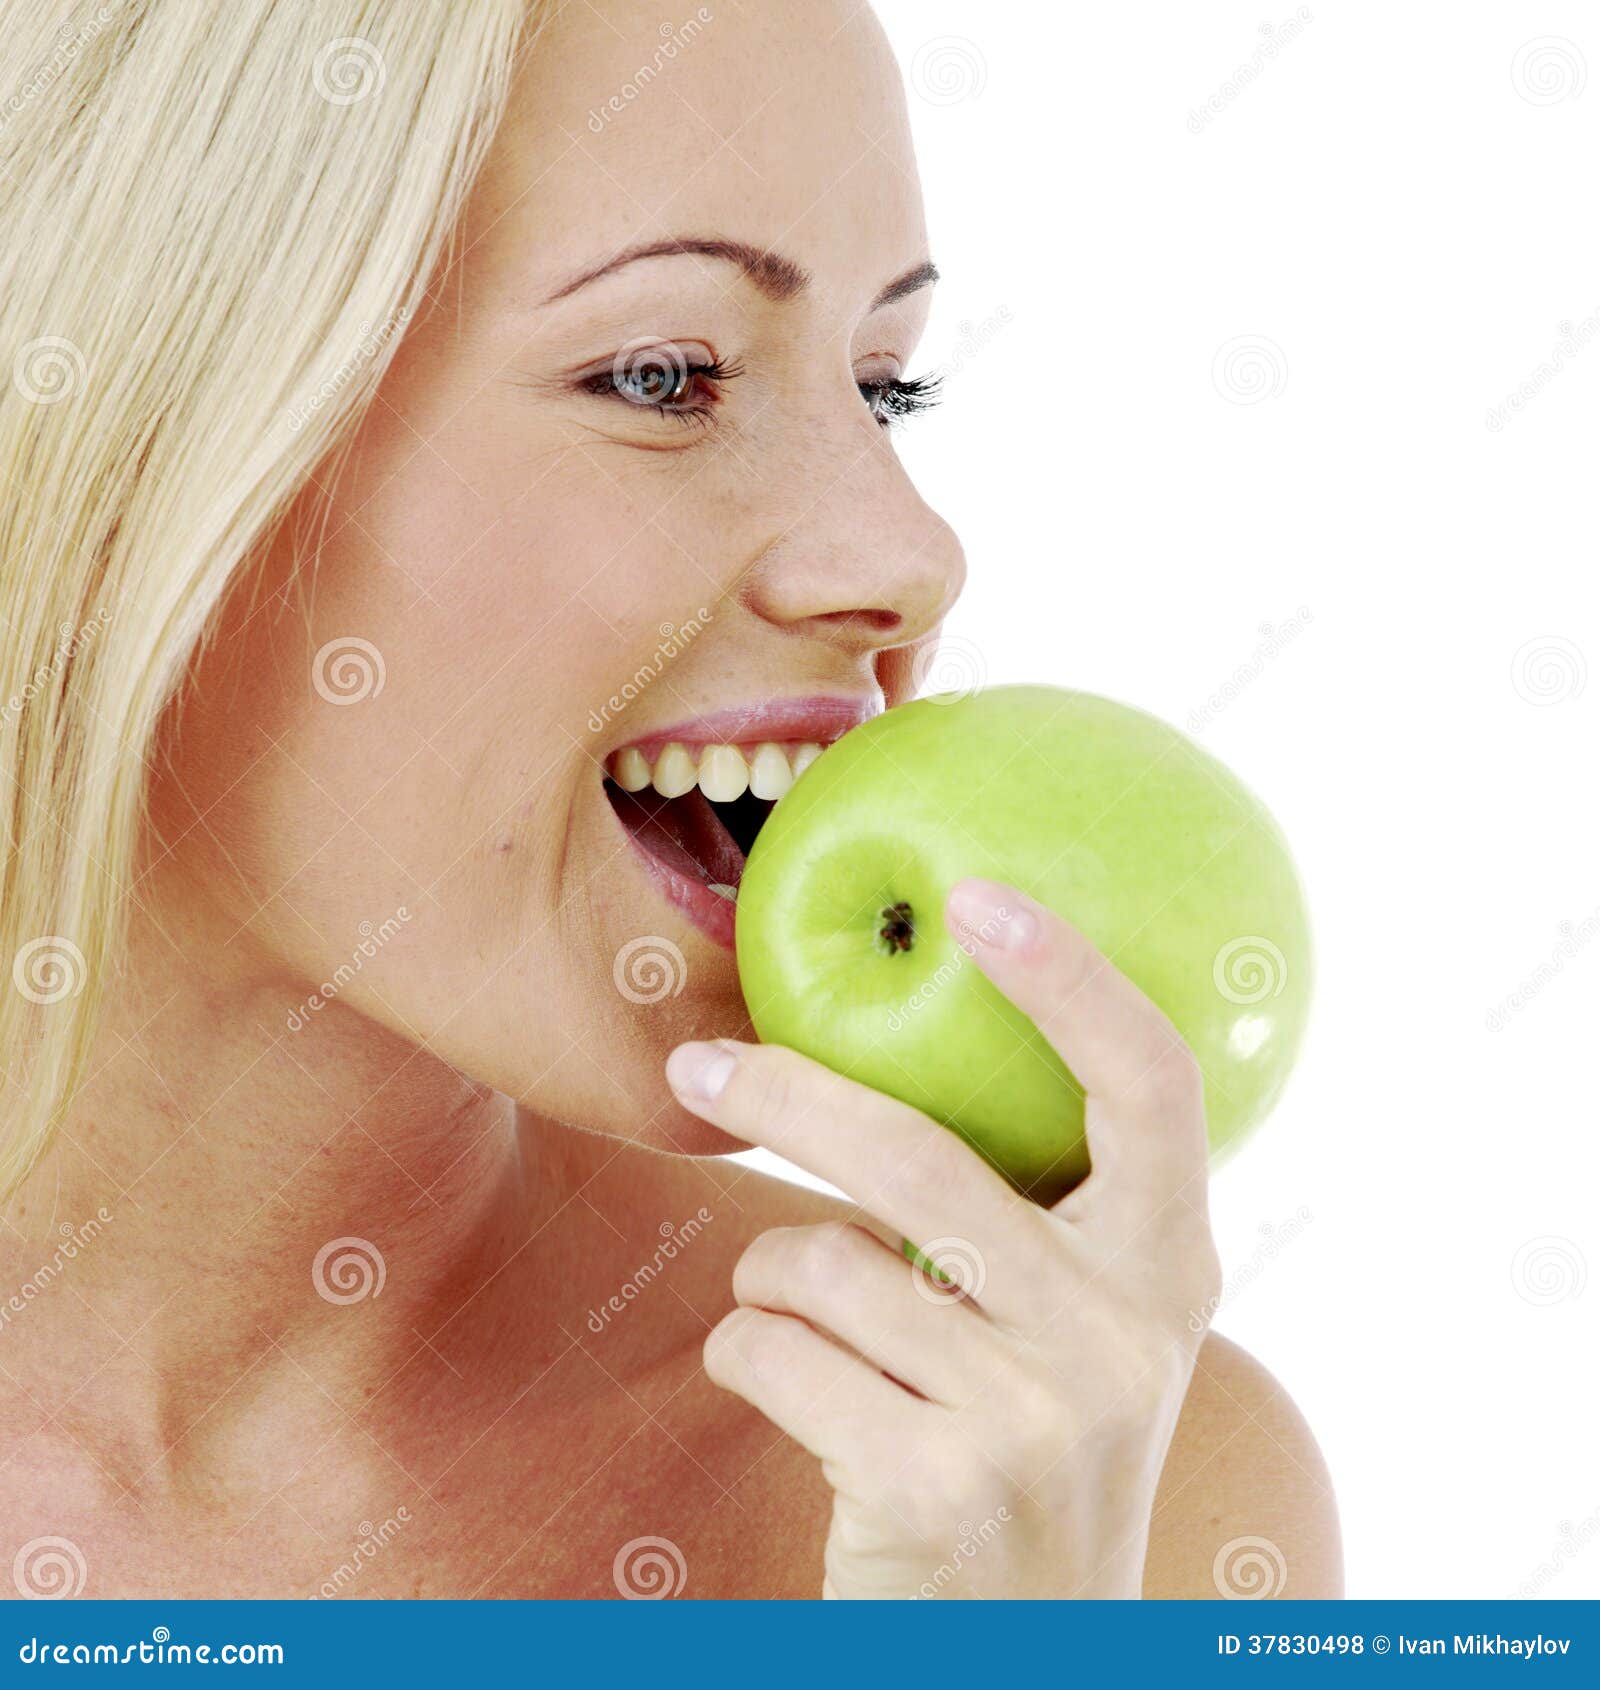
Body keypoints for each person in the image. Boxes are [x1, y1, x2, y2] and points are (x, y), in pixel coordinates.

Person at [0, 0, 1339, 1598]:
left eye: (883, 388)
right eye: (663, 374)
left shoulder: (1093, 1490)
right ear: (120, 460)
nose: (910, 558)